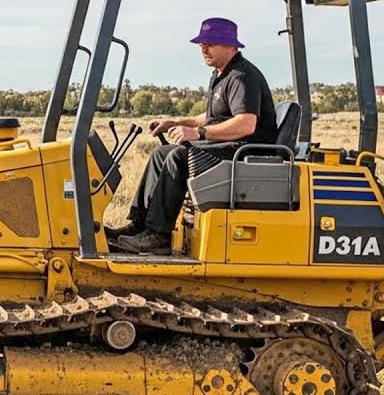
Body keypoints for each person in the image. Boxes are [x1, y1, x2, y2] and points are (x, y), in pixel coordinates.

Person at [112, 17, 279, 254]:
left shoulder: (242, 76)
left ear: (231, 46)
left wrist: (198, 133)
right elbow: (212, 116)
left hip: (245, 152)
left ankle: (158, 236)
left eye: (211, 43)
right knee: (161, 153)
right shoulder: (221, 75)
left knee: (178, 157)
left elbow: (246, 124)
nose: (204, 48)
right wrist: (176, 122)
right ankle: (139, 225)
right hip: (230, 146)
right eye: (202, 44)